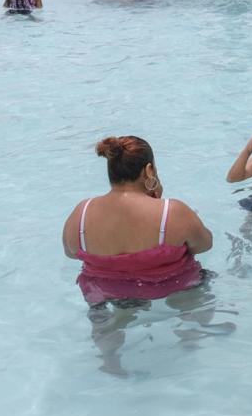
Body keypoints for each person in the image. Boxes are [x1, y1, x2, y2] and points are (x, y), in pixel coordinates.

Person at [62, 136, 214, 375]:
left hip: (107, 292)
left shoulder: (82, 212)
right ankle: (190, 342)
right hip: (171, 286)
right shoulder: (171, 211)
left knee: (100, 315)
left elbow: (71, 253)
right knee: (201, 283)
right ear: (149, 170)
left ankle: (109, 360)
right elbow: (204, 244)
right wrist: (158, 204)